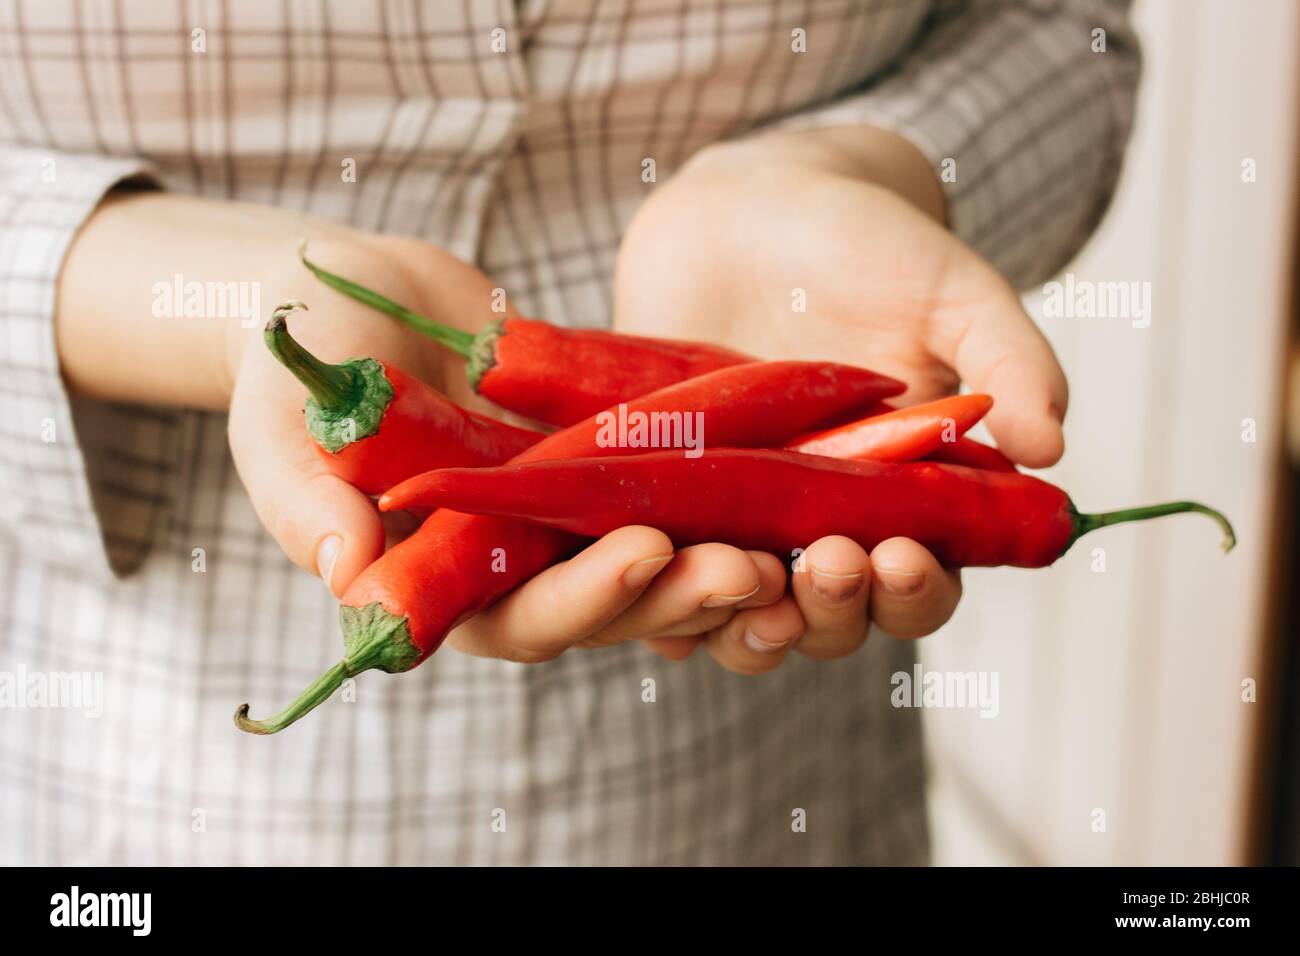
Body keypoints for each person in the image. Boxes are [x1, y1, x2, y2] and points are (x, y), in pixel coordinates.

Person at [0, 1, 1138, 864]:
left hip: (760, 788)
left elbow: (1063, 28)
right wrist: (207, 301)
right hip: (155, 792)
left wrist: (864, 165)